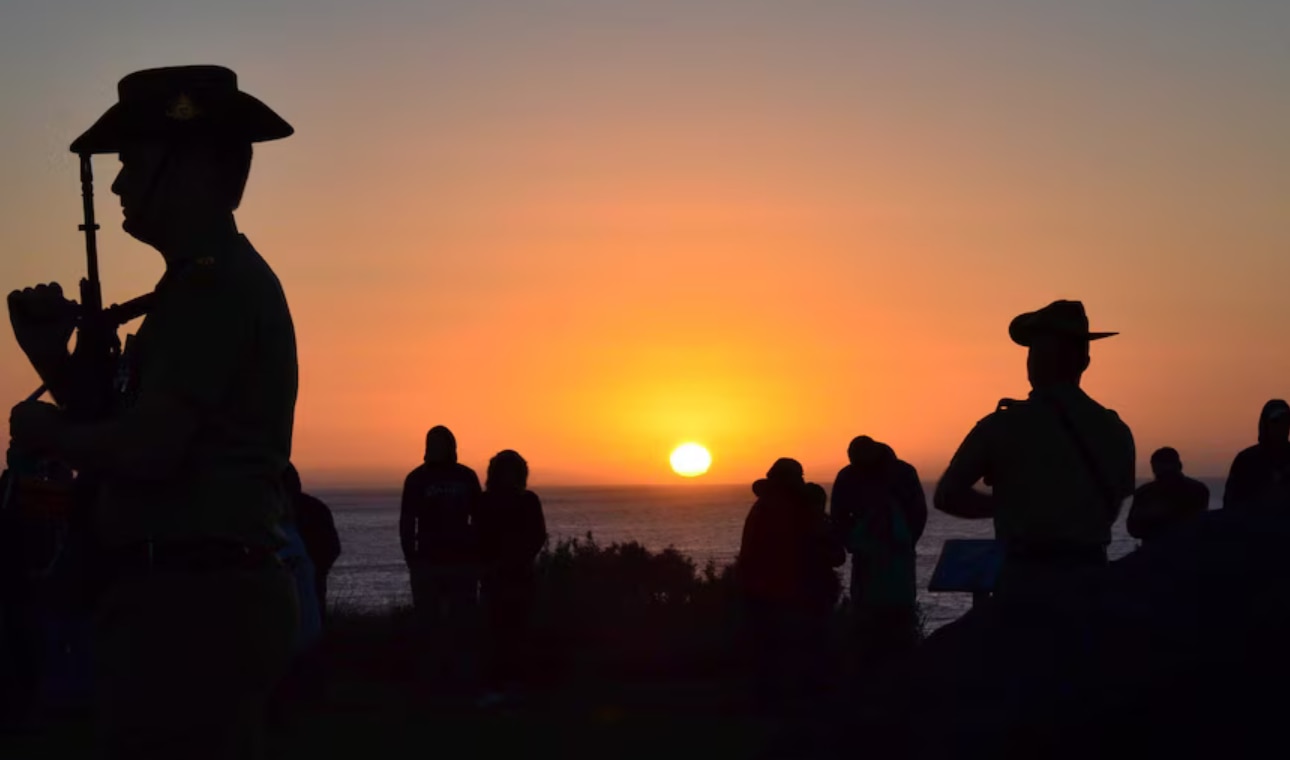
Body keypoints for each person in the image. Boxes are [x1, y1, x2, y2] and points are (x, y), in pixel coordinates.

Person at [7, 65, 300, 758]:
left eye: (131, 163)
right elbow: (148, 431)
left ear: (190, 165)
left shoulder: (211, 286)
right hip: (188, 599)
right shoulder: (198, 286)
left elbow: (149, 451)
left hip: (189, 609)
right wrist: (54, 360)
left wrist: (46, 429)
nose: (115, 185)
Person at [934, 300, 1136, 598]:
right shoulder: (1117, 431)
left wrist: (1011, 505)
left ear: (1034, 362)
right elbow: (1114, 502)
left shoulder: (1001, 426)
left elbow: (948, 496)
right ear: (1084, 362)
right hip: (1091, 584)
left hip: (1024, 584)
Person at [738, 459, 843, 718]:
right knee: (805, 654)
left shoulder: (760, 508)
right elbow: (832, 554)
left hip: (761, 593)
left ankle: (768, 707)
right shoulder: (800, 511)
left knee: (768, 656)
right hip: (797, 595)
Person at [399, 425, 481, 689]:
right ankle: (429, 681)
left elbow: (480, 517)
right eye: (431, 443)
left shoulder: (467, 476)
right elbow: (407, 519)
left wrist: (476, 554)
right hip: (427, 561)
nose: (435, 448)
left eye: (440, 443)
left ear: (451, 446)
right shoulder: (416, 479)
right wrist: (411, 557)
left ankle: (463, 679)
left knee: (463, 623)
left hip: (461, 562)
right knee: (427, 624)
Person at [830, 436, 926, 659]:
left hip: (897, 556)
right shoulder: (848, 476)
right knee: (868, 613)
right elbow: (839, 516)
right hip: (868, 556)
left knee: (897, 615)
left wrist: (906, 542)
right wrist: (853, 542)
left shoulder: (903, 473)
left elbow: (918, 514)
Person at [473, 450, 547, 703]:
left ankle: (514, 685)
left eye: (513, 471)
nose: (509, 477)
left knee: (515, 633)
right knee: (496, 634)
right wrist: (488, 565)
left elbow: (537, 537)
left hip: (518, 577)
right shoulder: (484, 502)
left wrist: (512, 561)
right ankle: (497, 685)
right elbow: (477, 536)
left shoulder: (527, 500)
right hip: (496, 577)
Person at [282, 463, 340, 623]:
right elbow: (333, 547)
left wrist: (315, 568)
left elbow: (332, 547)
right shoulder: (317, 508)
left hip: (309, 580)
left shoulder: (313, 509)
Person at [1126, 447, 1210, 545]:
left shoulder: (1144, 492)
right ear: (1180, 465)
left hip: (1156, 552)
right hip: (1188, 551)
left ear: (1154, 469)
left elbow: (1133, 529)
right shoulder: (1199, 489)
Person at [1223, 399, 1290, 514]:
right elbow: (1231, 504)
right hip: (1253, 527)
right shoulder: (1246, 461)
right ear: (1265, 425)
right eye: (1276, 421)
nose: (1281, 426)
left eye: (1286, 421)